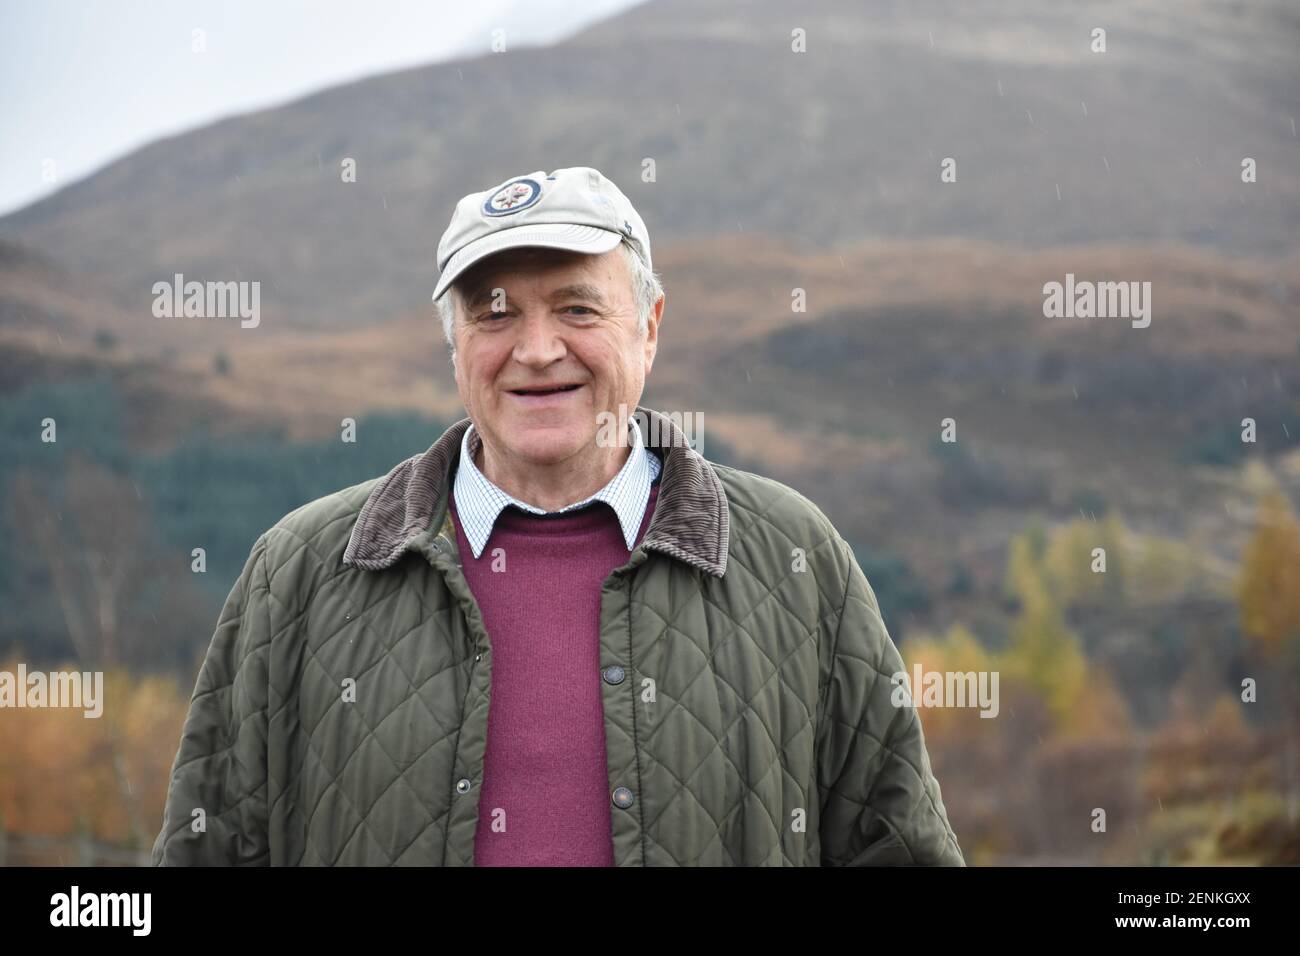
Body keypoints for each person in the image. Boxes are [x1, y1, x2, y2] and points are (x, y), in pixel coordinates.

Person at [151, 165, 964, 866]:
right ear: (455, 342)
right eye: (495, 314)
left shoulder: (796, 558)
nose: (537, 349)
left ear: (648, 329)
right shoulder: (297, 573)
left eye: (577, 309)